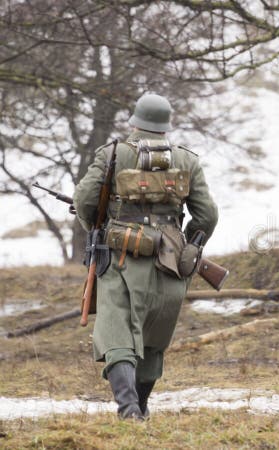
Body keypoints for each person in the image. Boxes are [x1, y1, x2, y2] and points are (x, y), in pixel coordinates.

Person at [73, 93, 218, 420]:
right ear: (166, 125)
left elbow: (84, 201)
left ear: (135, 121)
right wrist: (192, 245)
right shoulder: (187, 161)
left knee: (116, 333)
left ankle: (129, 411)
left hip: (120, 257)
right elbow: (207, 215)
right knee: (154, 336)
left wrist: (95, 227)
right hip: (170, 259)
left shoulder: (113, 153)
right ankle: (141, 406)